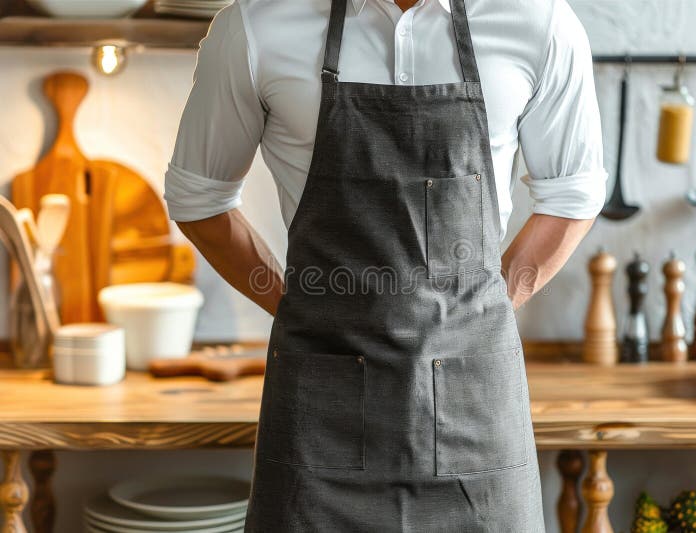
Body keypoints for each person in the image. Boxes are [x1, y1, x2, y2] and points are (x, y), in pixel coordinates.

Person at [164, 0, 606, 530]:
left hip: (476, 414)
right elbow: (199, 199)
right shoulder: (257, 26)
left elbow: (572, 196)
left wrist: (487, 301)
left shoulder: (539, 24)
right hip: (320, 423)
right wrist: (288, 297)